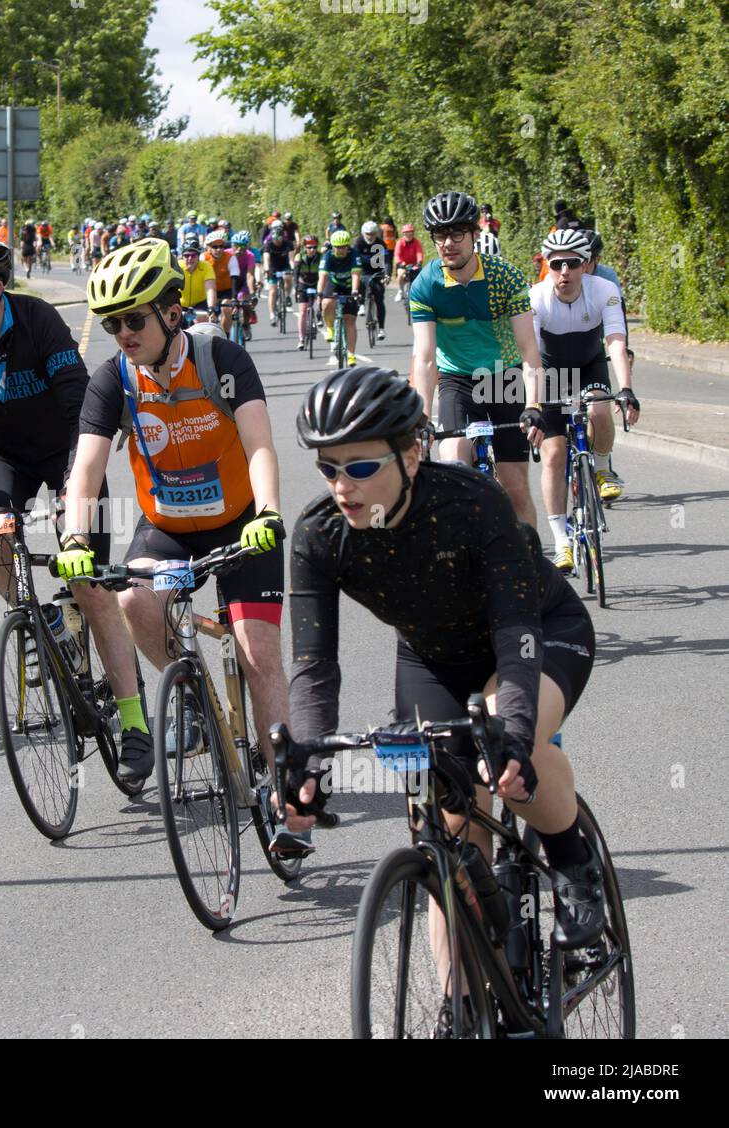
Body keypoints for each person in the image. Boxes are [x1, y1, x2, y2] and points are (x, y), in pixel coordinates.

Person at [288, 365, 607, 965]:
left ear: (412, 454)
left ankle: (573, 863)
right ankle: (454, 1009)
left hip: (537, 634)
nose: (341, 487)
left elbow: (516, 632)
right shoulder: (320, 534)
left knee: (504, 739)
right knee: (441, 832)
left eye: (359, 468)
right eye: (328, 468)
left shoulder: (471, 502)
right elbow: (313, 665)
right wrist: (306, 754)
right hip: (433, 659)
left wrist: (512, 728)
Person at [0, 230, 151, 777]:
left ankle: (135, 722)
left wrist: (74, 488)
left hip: (65, 450)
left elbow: (80, 412)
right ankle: (42, 621)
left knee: (89, 583)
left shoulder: (40, 321)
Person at [59, 237, 289, 788]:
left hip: (242, 525)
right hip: (167, 529)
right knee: (135, 598)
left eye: (133, 319)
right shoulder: (114, 380)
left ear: (172, 311)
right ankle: (189, 697)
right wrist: (72, 539)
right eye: (111, 324)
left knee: (259, 658)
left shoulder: (222, 359)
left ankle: (288, 794)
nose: (123, 335)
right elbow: (85, 470)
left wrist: (269, 513)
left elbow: (259, 444)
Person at [409, 189, 544, 525]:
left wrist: (535, 405)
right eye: (440, 235)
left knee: (516, 490)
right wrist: (423, 417)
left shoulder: (505, 278)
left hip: (504, 377)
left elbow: (529, 351)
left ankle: (529, 569)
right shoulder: (426, 285)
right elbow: (425, 359)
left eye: (457, 233)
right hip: (458, 380)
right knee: (453, 465)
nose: (448, 243)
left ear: (475, 235)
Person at [527, 228, 640, 567]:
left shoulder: (604, 290)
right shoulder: (535, 297)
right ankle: (561, 539)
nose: (564, 272)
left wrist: (627, 389)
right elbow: (530, 357)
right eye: (557, 264)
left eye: (573, 264)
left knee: (601, 410)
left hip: (589, 367)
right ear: (547, 265)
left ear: (586, 265)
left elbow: (616, 342)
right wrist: (532, 405)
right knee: (554, 455)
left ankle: (603, 466)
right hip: (550, 372)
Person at [317, 229, 364, 363]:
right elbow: (323, 277)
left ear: (348, 246)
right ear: (333, 247)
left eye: (343, 247)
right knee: (326, 303)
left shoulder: (354, 255)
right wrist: (320, 293)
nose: (341, 250)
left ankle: (351, 354)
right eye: (338, 247)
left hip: (350, 286)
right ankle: (330, 327)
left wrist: (355, 290)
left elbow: (356, 274)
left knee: (350, 320)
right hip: (334, 284)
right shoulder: (327, 256)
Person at [352, 220, 389, 342]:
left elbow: (387, 261)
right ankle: (361, 304)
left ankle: (382, 328)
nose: (370, 236)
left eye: (372, 234)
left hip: (377, 272)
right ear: (363, 233)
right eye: (367, 234)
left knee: (379, 298)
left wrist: (387, 274)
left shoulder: (381, 243)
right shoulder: (358, 242)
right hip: (363, 271)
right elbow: (353, 259)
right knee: (361, 281)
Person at [203, 227, 237, 338]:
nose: (218, 249)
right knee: (208, 317)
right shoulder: (203, 258)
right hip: (208, 292)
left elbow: (234, 278)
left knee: (226, 308)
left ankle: (225, 335)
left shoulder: (230, 258)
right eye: (215, 247)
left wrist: (234, 299)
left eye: (221, 246)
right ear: (209, 248)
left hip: (225, 290)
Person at [262, 219, 294, 326]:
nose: (277, 242)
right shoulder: (268, 245)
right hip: (273, 267)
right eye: (275, 239)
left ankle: (287, 295)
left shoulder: (288, 244)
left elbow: (291, 259)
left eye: (279, 239)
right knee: (272, 291)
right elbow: (266, 258)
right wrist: (266, 269)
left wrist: (292, 269)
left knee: (288, 279)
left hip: (284, 265)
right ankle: (272, 315)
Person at [293, 235, 323, 341]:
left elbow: (325, 274)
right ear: (305, 247)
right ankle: (301, 338)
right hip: (303, 283)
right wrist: (296, 287)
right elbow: (295, 273)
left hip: (317, 283)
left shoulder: (321, 257)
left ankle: (319, 314)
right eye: (309, 247)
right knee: (302, 311)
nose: (312, 250)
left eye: (314, 247)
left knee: (321, 303)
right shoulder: (299, 256)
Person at [177, 234, 213, 315]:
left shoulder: (206, 266)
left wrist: (211, 308)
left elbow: (210, 289)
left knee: (201, 321)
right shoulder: (177, 267)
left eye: (193, 255)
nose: (190, 258)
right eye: (186, 255)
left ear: (199, 256)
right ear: (182, 256)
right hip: (180, 304)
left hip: (200, 303)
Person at [393, 222, 424, 302]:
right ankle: (400, 291)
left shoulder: (416, 242)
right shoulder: (400, 242)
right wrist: (401, 263)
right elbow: (397, 255)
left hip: (414, 264)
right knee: (400, 274)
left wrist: (419, 262)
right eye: (406, 234)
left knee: (422, 277)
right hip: (403, 264)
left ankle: (421, 293)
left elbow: (419, 253)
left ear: (413, 233)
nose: (408, 236)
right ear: (403, 234)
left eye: (410, 233)